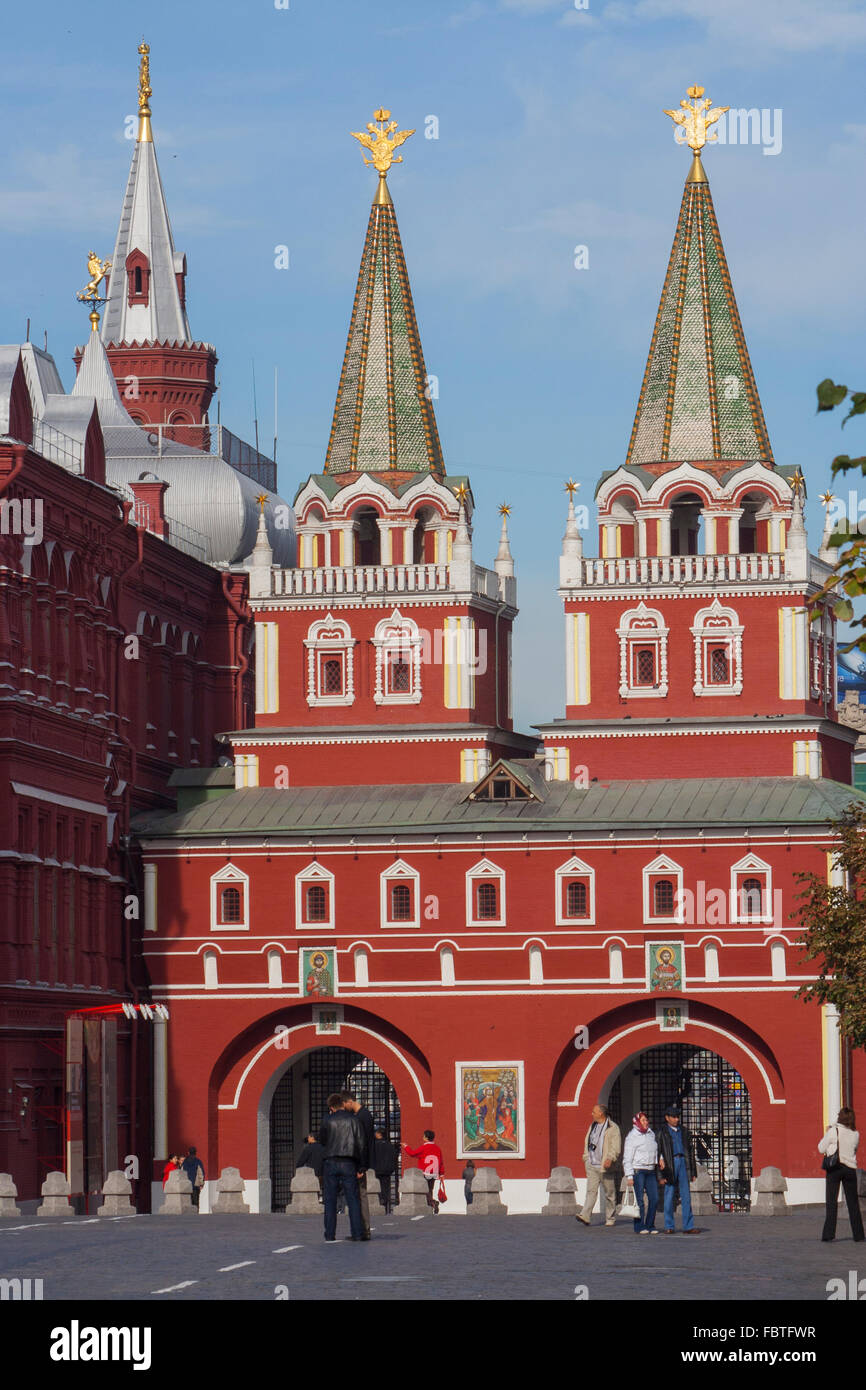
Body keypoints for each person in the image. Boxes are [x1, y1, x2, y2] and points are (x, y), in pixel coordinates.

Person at [318, 1092, 368, 1242]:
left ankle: (330, 1234)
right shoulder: (354, 1120)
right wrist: (362, 1167)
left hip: (331, 1162)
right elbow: (361, 1144)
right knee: (352, 1199)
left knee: (330, 1200)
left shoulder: (327, 1120)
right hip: (349, 1163)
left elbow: (322, 1140)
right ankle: (357, 1233)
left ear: (331, 1107)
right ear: (343, 1104)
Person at [819, 1106, 865, 1243]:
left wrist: (828, 1134)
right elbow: (854, 1149)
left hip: (835, 1169)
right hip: (850, 1169)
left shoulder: (834, 1131)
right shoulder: (856, 1134)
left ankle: (829, 1234)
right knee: (853, 1203)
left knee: (831, 1202)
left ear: (840, 1117)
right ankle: (859, 1235)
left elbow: (821, 1147)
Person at [576, 1103, 621, 1227]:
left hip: (605, 1166)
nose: (592, 1114)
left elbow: (615, 1146)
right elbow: (588, 1141)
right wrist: (586, 1157)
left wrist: (610, 1158)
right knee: (591, 1191)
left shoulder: (612, 1127)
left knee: (609, 1192)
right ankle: (585, 1215)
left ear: (601, 1113)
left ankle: (610, 1217)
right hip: (591, 1164)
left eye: (594, 1112)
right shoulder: (593, 1125)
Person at [657, 1105, 700, 1233]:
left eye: (677, 1117)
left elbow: (690, 1152)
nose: (676, 1119)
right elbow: (657, 1153)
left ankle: (688, 1226)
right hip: (670, 1163)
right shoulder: (662, 1132)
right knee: (669, 1195)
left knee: (686, 1196)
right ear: (667, 1118)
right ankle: (669, 1225)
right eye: (673, 1117)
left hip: (683, 1162)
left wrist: (692, 1171)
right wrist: (660, 1175)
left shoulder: (684, 1131)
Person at [342, 1092, 375, 1236]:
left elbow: (364, 1143)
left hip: (359, 1164)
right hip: (360, 1162)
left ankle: (363, 1229)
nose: (345, 1108)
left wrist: (362, 1165)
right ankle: (361, 1229)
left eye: (344, 1105)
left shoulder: (362, 1117)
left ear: (349, 1101)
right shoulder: (364, 1115)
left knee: (360, 1196)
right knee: (359, 1196)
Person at [623, 1112, 659, 1235]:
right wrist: (629, 1175)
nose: (645, 1122)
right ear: (637, 1122)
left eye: (646, 1120)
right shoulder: (632, 1137)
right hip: (638, 1171)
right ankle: (639, 1226)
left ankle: (650, 1224)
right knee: (639, 1201)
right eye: (643, 1120)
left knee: (654, 1198)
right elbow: (627, 1157)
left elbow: (656, 1150)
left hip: (651, 1170)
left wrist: (660, 1159)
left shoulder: (651, 1134)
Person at [404, 1129, 445, 1213]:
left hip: (425, 1172)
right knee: (430, 1190)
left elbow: (412, 1153)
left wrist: (406, 1147)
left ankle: (432, 1203)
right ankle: (430, 1205)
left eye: (423, 1136)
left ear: (426, 1138)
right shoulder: (437, 1148)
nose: (422, 1137)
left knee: (425, 1190)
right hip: (434, 1173)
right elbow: (441, 1162)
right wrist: (441, 1174)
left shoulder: (424, 1147)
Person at [371, 1127, 397, 1213]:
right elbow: (394, 1157)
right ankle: (385, 1204)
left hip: (376, 1169)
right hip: (387, 1170)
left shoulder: (373, 1145)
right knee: (385, 1188)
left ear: (379, 1134)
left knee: (376, 1187)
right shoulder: (390, 1145)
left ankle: (378, 1202)